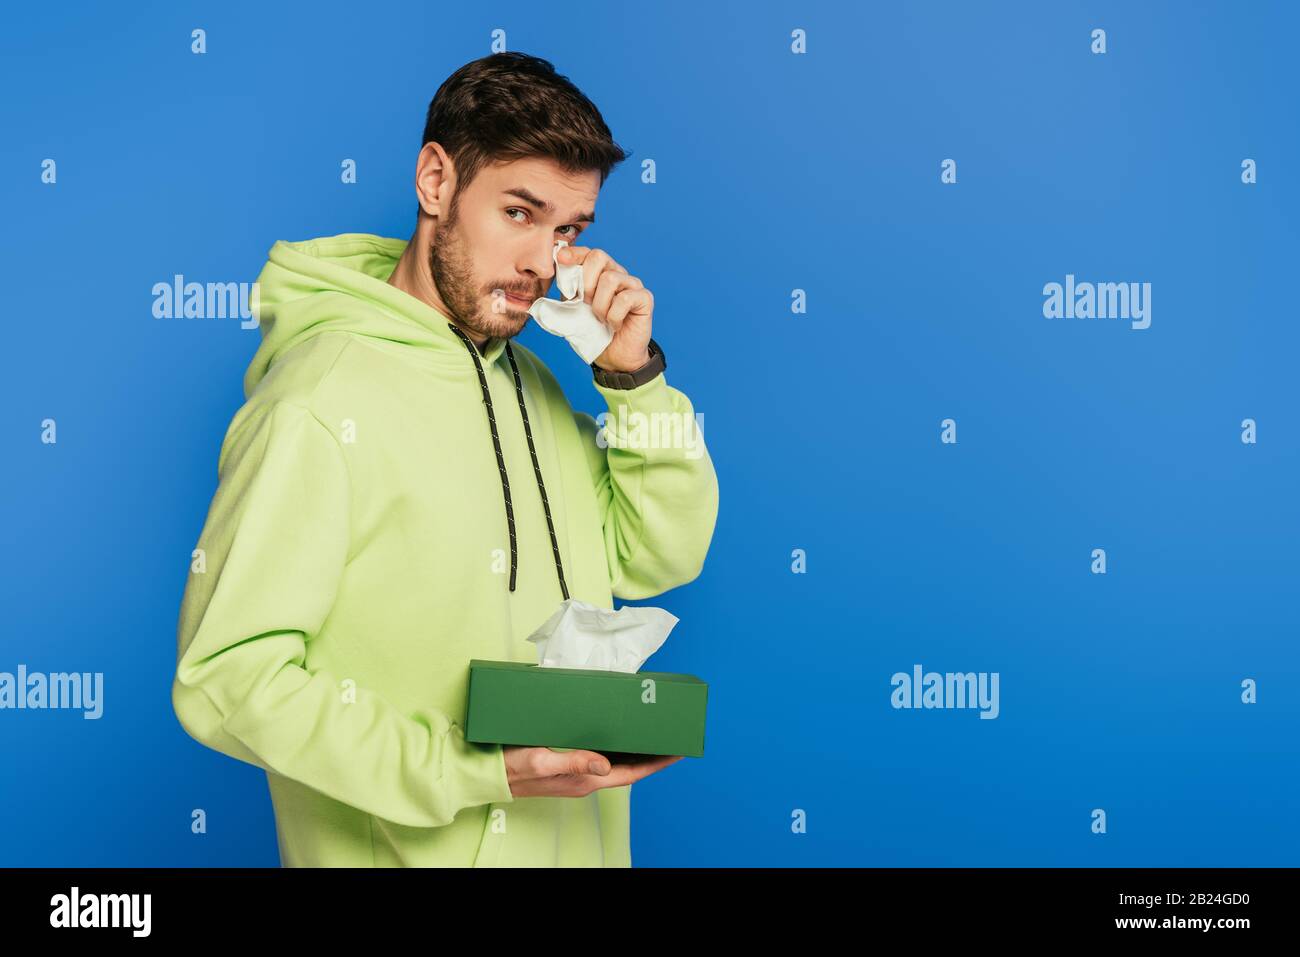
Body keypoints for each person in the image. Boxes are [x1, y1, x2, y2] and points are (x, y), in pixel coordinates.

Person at [170, 51, 719, 867]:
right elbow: (227, 676)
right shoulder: (318, 401)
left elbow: (657, 556)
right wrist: (470, 769)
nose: (543, 262)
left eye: (568, 230)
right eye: (520, 213)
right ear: (435, 182)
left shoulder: (536, 388)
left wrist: (631, 378)